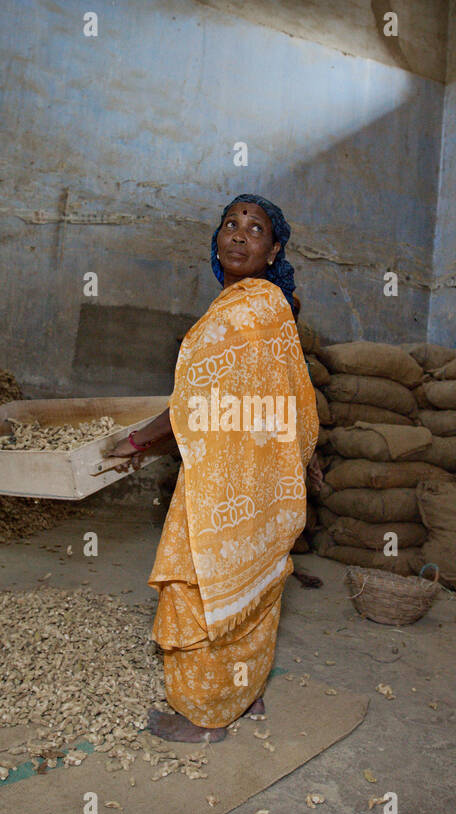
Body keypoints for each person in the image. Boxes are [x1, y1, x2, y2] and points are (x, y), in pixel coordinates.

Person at [109, 195, 322, 742]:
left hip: (226, 482)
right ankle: (244, 693)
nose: (239, 234)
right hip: (259, 480)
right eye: (231, 224)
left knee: (200, 583)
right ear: (216, 237)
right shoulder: (259, 306)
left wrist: (136, 440)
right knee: (250, 589)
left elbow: (195, 405)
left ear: (274, 249)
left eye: (256, 229)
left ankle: (202, 715)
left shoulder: (254, 309)